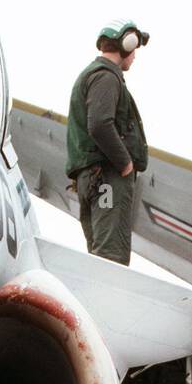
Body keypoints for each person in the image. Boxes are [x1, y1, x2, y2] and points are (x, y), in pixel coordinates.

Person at [65, 20, 150, 266]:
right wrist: (125, 164)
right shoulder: (106, 77)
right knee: (111, 259)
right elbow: (100, 124)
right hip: (107, 179)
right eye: (134, 50)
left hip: (94, 178)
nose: (134, 57)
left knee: (99, 257)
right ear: (126, 45)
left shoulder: (94, 76)